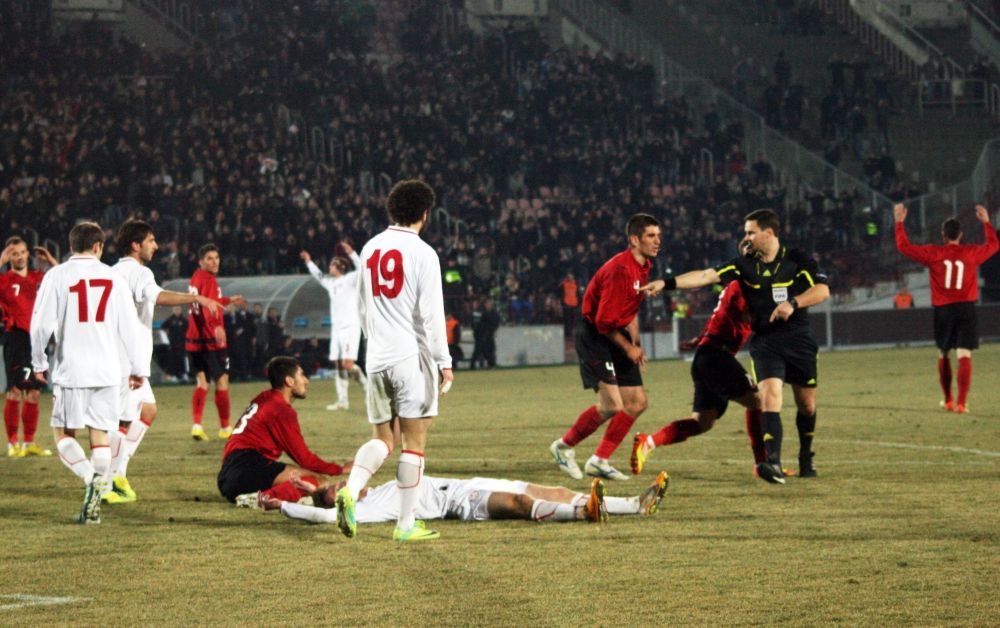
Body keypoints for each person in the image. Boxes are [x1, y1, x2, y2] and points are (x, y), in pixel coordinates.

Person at [643, 209, 830, 484]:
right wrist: (666, 283)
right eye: (745, 232)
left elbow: (822, 291)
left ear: (769, 233)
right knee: (769, 397)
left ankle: (805, 456)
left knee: (807, 406)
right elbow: (706, 276)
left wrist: (793, 304)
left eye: (750, 232)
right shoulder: (743, 266)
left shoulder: (797, 259)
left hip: (799, 340)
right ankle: (773, 463)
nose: (746, 237)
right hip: (766, 343)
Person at [336, 179, 453, 543]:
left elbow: (360, 306)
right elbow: (433, 315)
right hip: (409, 356)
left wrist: (374, 345)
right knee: (414, 442)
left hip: (377, 358)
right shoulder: (423, 253)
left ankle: (350, 492)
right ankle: (405, 525)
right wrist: (444, 360)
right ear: (424, 213)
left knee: (383, 437)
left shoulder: (370, 248)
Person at [30, 222, 150, 524]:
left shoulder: (57, 275)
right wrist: (138, 368)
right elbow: (130, 329)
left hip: (72, 369)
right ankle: (100, 485)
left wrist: (39, 362)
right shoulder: (113, 278)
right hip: (108, 372)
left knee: (63, 434)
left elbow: (41, 324)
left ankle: (90, 480)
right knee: (100, 436)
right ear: (98, 247)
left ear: (72, 246)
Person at [103, 220, 221, 504]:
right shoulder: (139, 272)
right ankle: (106, 482)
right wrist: (198, 299)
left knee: (148, 411)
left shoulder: (110, 272)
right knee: (122, 420)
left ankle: (117, 473)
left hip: (117, 354)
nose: (156, 246)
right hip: (128, 359)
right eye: (151, 240)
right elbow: (159, 296)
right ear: (136, 244)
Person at [548, 213, 660, 482]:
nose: (658, 241)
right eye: (651, 236)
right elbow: (603, 321)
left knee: (637, 402)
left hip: (616, 335)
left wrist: (635, 344)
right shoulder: (621, 269)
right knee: (612, 405)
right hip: (596, 336)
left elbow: (630, 310)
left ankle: (599, 460)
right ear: (634, 239)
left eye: (658, 236)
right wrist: (628, 347)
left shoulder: (643, 266)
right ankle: (563, 448)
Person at [631, 279, 772, 481]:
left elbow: (718, 316)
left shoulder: (738, 286)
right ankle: (762, 463)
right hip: (717, 357)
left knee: (702, 422)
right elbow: (747, 313)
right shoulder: (742, 285)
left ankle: (649, 442)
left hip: (706, 356)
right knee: (757, 400)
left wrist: (698, 340)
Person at [257, 471, 670, 527]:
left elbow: (324, 493)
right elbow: (329, 519)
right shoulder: (369, 507)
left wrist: (312, 490)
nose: (346, 482)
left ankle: (634, 504)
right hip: (459, 502)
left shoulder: (374, 487)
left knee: (548, 489)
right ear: (342, 500)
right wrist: (288, 506)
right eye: (338, 488)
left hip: (462, 481)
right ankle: (585, 513)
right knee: (521, 506)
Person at [894, 203, 999, 413]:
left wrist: (899, 222)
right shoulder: (971, 253)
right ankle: (961, 403)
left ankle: (948, 400)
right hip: (966, 308)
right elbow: (994, 245)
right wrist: (987, 222)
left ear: (943, 235)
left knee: (944, 354)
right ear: (961, 235)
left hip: (943, 310)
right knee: (964, 355)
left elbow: (904, 247)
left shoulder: (934, 253)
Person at [217, 356, 348, 505]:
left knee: (301, 480)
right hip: (247, 467)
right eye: (302, 375)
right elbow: (305, 459)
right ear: (289, 381)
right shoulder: (281, 410)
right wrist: (340, 469)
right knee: (319, 481)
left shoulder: (264, 397)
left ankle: (258, 497)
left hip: (228, 473)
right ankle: (262, 499)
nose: (306, 381)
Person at [0, 237, 58, 457]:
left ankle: (29, 443)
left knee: (34, 392)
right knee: (14, 392)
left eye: (23, 252)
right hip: (16, 340)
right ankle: (12, 443)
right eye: (15, 253)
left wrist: (52, 261)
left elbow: (67, 282)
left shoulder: (38, 278)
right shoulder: (5, 280)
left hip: (37, 342)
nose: (20, 256)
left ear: (28, 255)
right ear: (9, 257)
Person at [186, 243, 246, 441]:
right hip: (211, 338)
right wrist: (216, 326)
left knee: (202, 382)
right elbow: (208, 307)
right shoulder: (210, 279)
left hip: (194, 338)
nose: (214, 261)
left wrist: (228, 300)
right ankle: (225, 428)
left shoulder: (197, 277)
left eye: (216, 258)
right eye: (209, 258)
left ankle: (196, 425)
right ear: (201, 261)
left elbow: (206, 300)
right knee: (222, 381)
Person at [301, 244, 367, 411]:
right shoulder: (331, 284)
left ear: (339, 267)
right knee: (338, 364)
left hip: (350, 326)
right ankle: (342, 400)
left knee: (347, 364)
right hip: (337, 329)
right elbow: (319, 276)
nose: (329, 267)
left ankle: (369, 391)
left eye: (332, 264)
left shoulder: (351, 279)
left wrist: (352, 252)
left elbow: (362, 267)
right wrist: (308, 262)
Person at [470, 298, 499, 369]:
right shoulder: (482, 312)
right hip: (480, 335)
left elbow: (496, 323)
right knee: (477, 350)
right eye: (487, 304)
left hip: (489, 335)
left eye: (489, 304)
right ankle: (472, 365)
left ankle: (491, 364)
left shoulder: (493, 313)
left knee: (491, 350)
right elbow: (475, 324)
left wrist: (492, 330)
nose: (488, 305)